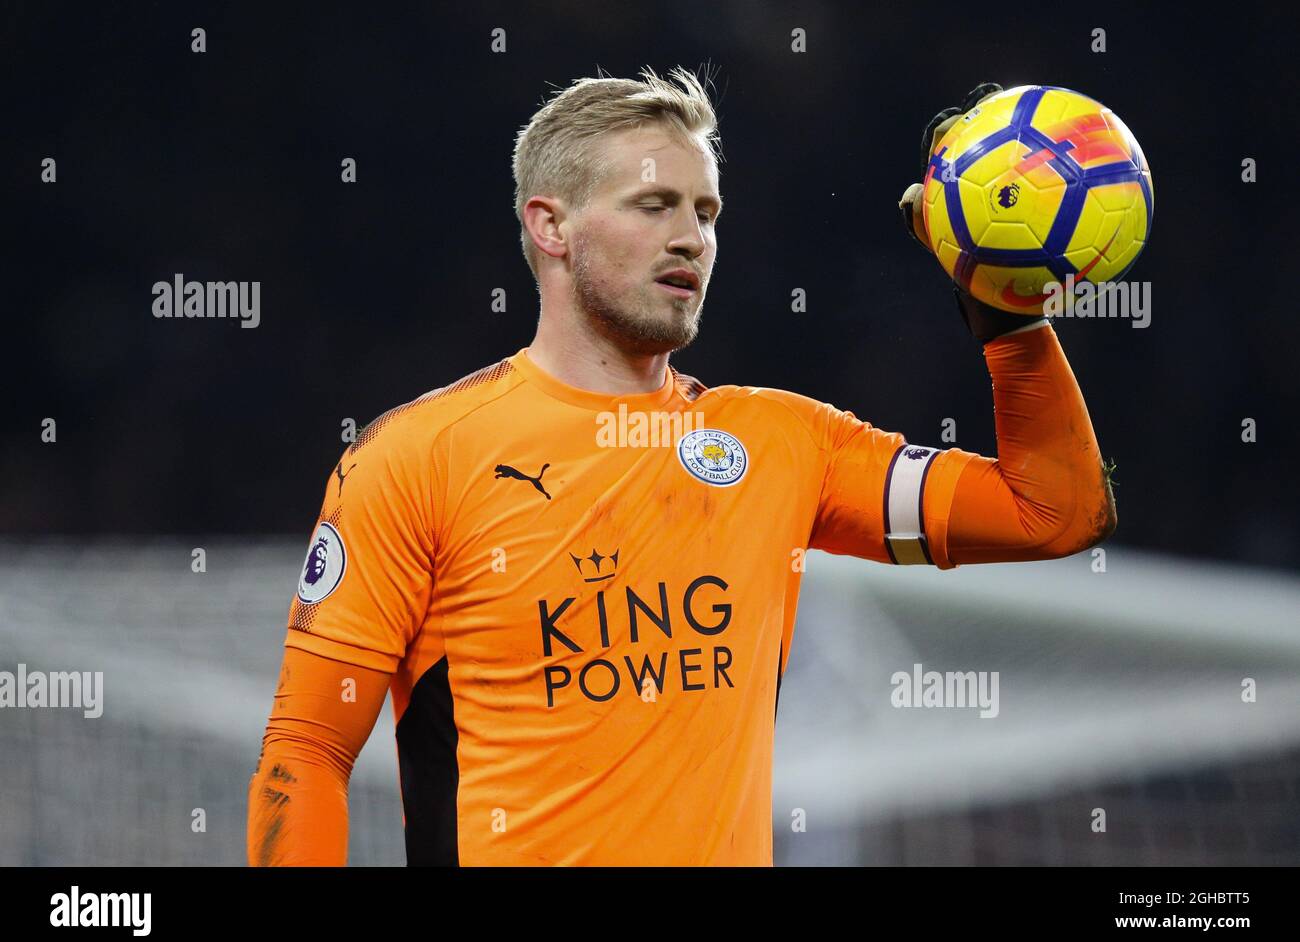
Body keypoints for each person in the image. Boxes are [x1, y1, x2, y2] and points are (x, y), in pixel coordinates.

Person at [247, 67, 1115, 866]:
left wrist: (1007, 311)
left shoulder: (781, 444)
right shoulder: (417, 458)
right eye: (653, 205)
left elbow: (1055, 512)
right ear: (550, 226)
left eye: (705, 213)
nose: (690, 239)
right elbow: (308, 749)